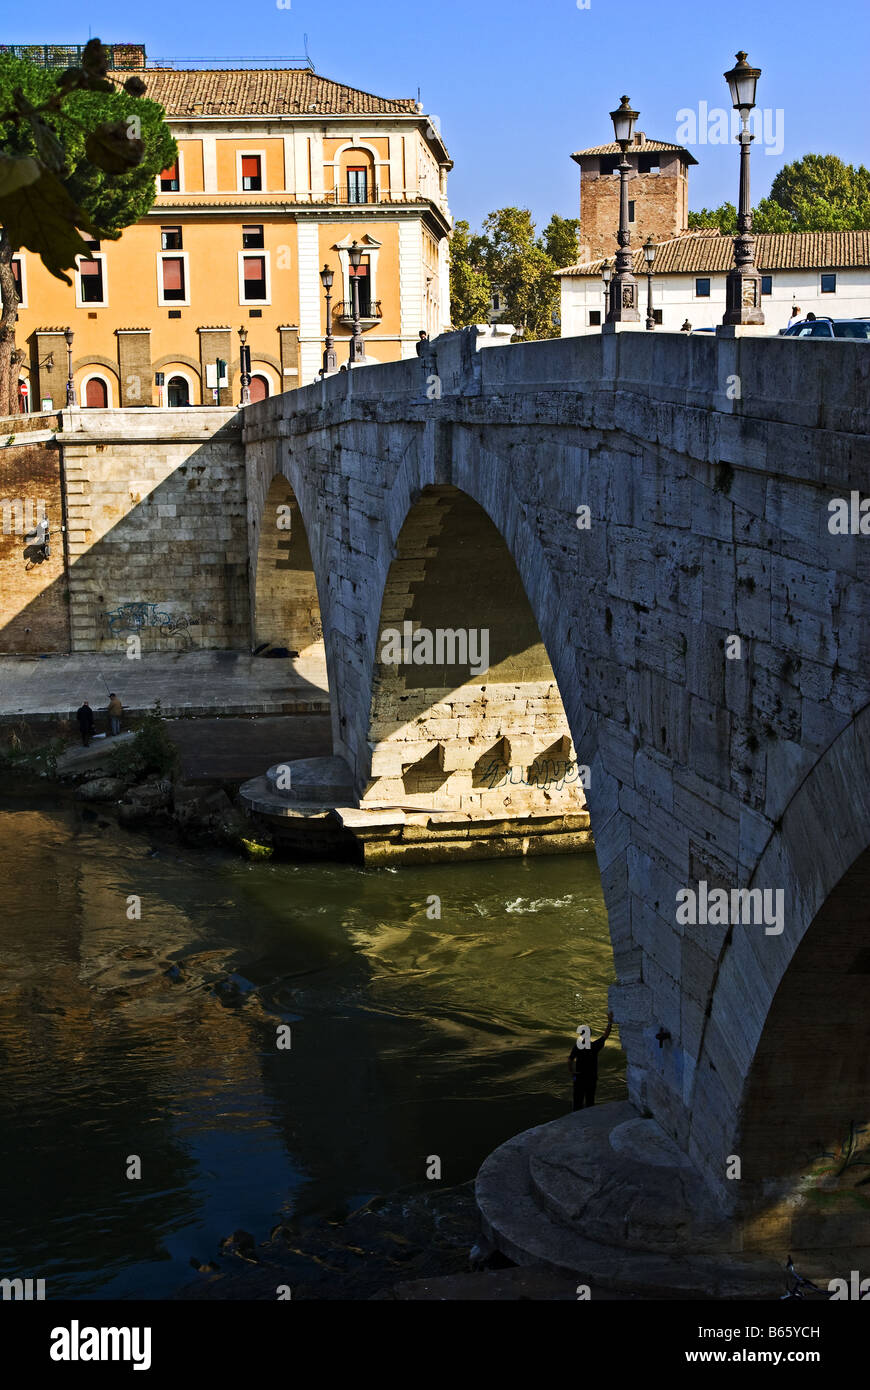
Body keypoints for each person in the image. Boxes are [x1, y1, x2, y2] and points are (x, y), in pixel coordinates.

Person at [568, 1011, 613, 1111]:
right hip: (591, 1077)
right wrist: (610, 1022)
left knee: (577, 1101)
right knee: (590, 1101)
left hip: (579, 1077)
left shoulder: (577, 1047)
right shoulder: (594, 1046)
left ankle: (575, 1119)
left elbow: (570, 1059)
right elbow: (606, 1035)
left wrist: (571, 1072)